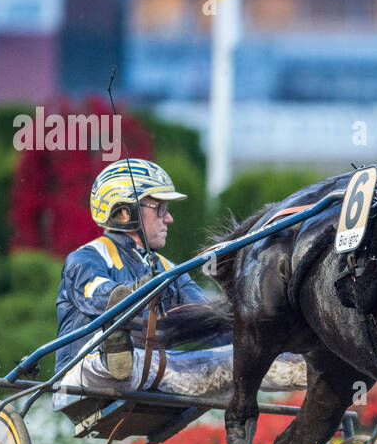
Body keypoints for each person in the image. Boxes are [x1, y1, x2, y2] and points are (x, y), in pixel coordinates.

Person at [53, 159, 304, 401]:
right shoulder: (85, 258)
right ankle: (117, 343)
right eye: (160, 208)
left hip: (157, 369)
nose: (169, 218)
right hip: (83, 371)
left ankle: (318, 365)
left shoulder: (169, 270)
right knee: (123, 350)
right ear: (122, 212)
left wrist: (269, 334)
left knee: (252, 359)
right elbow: (100, 297)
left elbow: (205, 318)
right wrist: (138, 293)